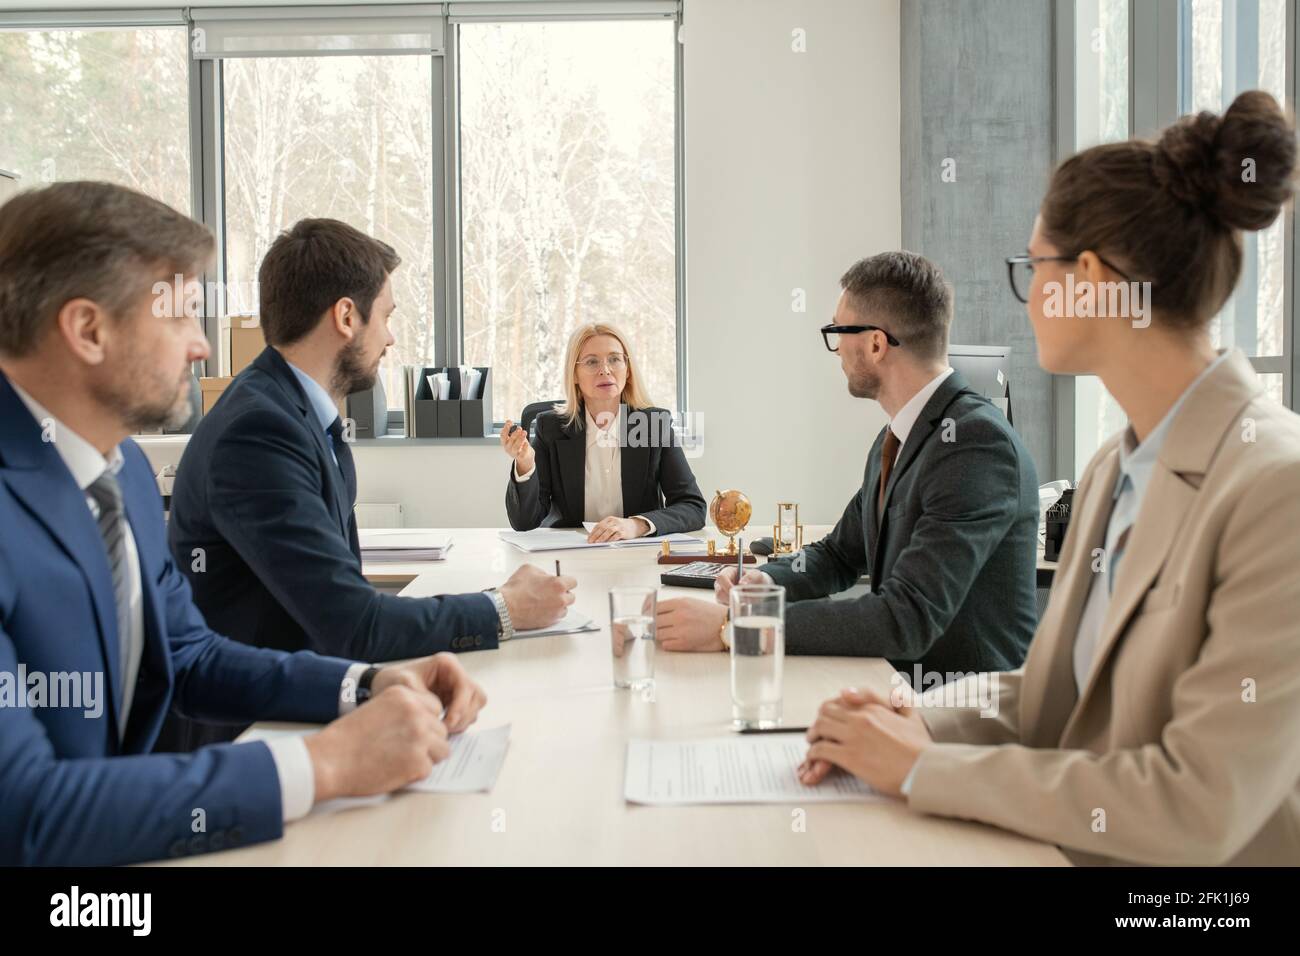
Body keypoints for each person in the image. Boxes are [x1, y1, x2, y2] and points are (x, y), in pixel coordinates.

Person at [799, 91, 1300, 866]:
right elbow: (1051, 694)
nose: (1028, 295)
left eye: (1031, 268)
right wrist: (916, 717)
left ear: (1089, 278)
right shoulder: (1113, 469)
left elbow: (1195, 804)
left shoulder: (1276, 488)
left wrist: (927, 768)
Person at [0, 182, 487, 865]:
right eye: (180, 317)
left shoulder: (126, 473)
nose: (202, 348)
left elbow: (190, 656)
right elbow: (25, 813)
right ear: (88, 329)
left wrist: (363, 685)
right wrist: (319, 767)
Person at [162, 218, 574, 751]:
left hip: (308, 705)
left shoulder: (293, 414)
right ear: (346, 316)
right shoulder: (258, 431)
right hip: (253, 737)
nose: (390, 336)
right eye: (386, 316)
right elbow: (352, 624)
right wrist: (503, 607)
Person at [655, 252, 1039, 681]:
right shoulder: (896, 436)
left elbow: (905, 618)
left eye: (838, 331)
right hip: (897, 687)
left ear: (875, 344)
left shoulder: (975, 445)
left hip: (961, 716)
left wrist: (737, 630)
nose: (835, 349)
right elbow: (839, 554)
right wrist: (767, 583)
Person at [500, 322, 706, 541]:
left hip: (636, 553)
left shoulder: (654, 425)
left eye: (615, 359)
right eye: (591, 362)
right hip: (571, 554)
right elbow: (524, 522)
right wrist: (525, 465)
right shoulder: (551, 428)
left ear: (627, 370)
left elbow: (692, 507)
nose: (605, 370)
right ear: (575, 374)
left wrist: (637, 525)